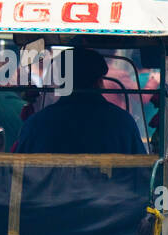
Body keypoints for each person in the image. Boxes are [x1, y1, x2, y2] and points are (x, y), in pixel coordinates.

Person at [15, 49, 147, 155]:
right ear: (98, 82)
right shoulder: (122, 122)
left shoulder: (36, 124)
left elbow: (19, 174)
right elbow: (140, 175)